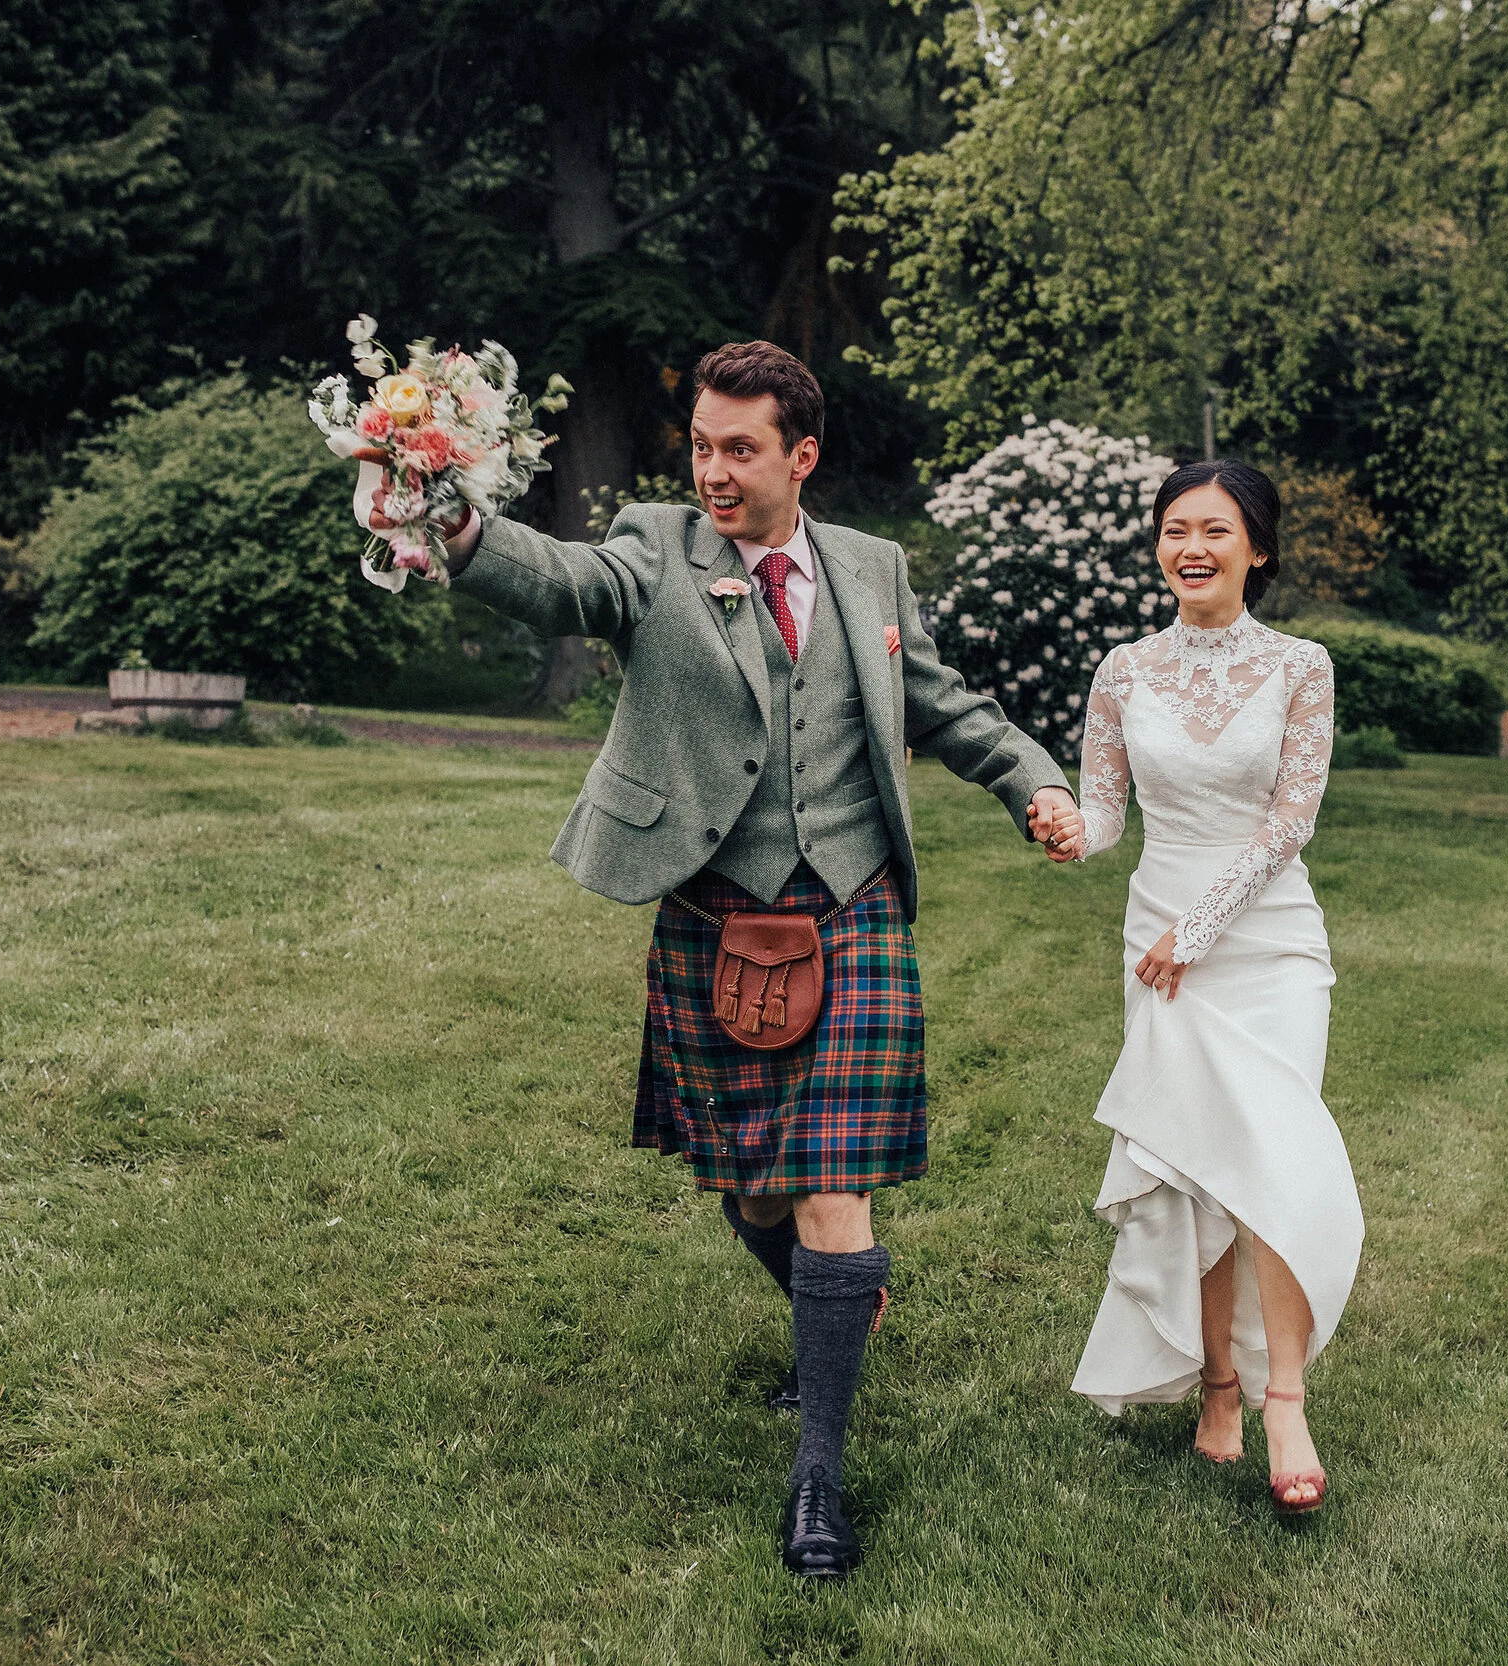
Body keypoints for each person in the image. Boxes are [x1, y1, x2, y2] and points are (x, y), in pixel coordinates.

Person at [355, 341, 1076, 1577]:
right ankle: (833, 1299)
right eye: (701, 445)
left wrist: (1032, 782)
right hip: (715, 909)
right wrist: (453, 524)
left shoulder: (871, 566)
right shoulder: (657, 546)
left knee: (833, 1186)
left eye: (741, 449)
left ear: (803, 455)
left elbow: (940, 703)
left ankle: (818, 1476)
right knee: (753, 1192)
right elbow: (562, 581)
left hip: (850, 908)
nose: (715, 471)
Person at [1030, 458, 1363, 1517]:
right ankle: (1216, 1385)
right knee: (1193, 1169)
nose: (1192, 548)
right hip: (1156, 947)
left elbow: (1291, 820)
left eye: (1215, 530)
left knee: (1273, 1162)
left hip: (1268, 947)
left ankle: (1283, 1399)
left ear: (1257, 549)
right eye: (1176, 529)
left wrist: (1202, 928)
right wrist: (1069, 829)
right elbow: (1107, 812)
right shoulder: (1123, 670)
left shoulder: (1301, 666)